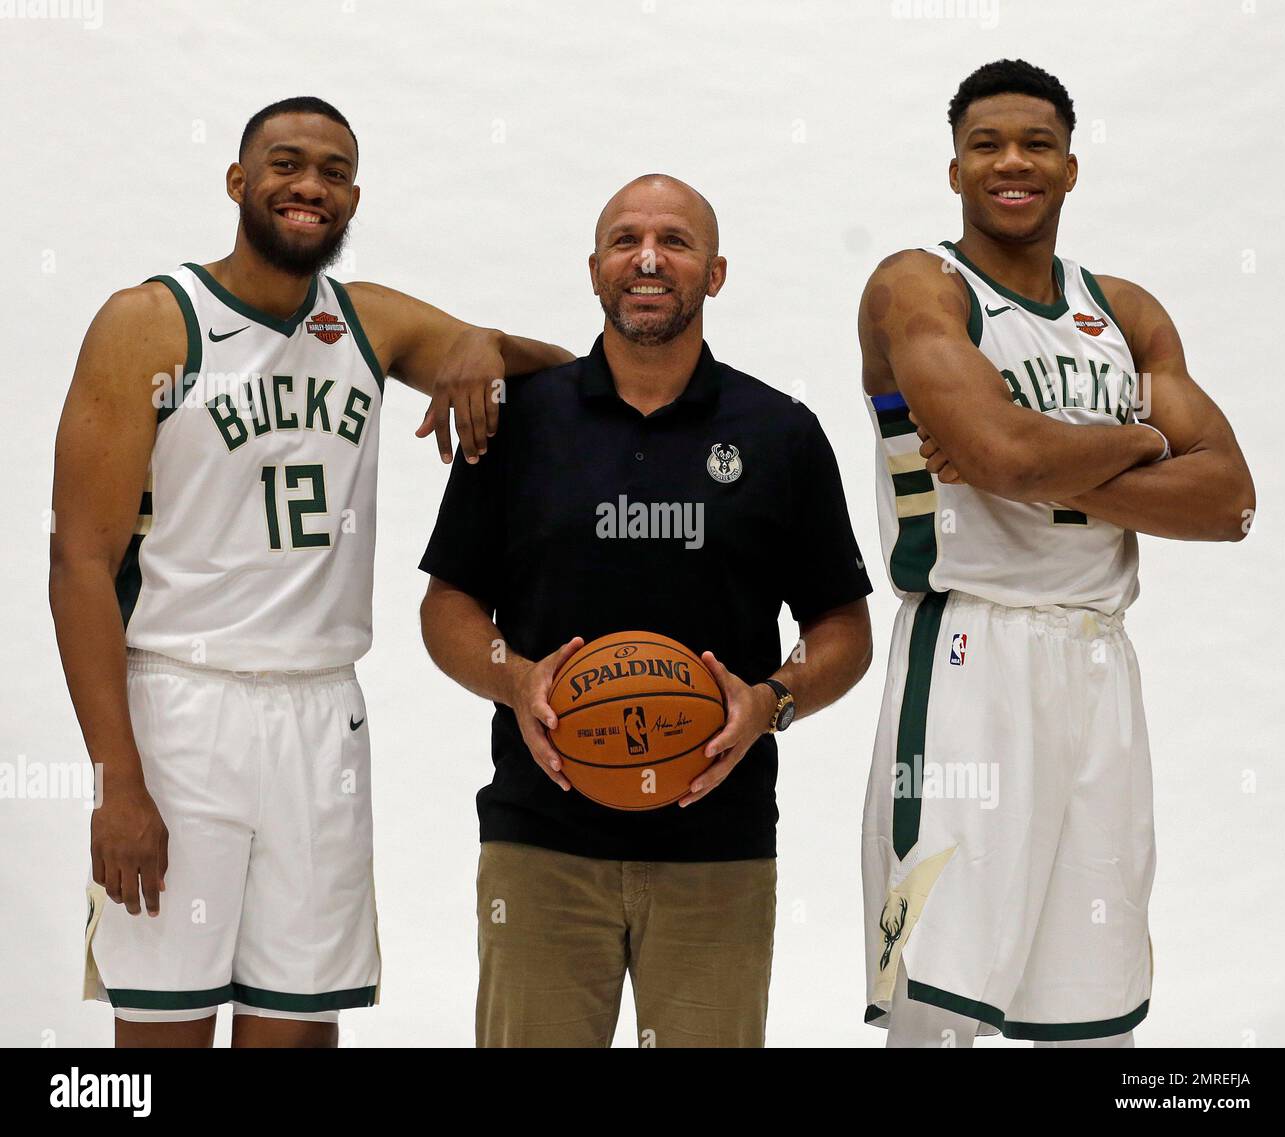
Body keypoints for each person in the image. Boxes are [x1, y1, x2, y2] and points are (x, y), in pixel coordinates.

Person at [49, 96, 572, 1048]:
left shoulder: (363, 321)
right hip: (182, 711)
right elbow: (80, 562)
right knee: (164, 1029)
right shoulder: (151, 323)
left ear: (354, 197)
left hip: (323, 714)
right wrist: (117, 779)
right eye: (286, 164)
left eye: (333, 172)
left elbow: (561, 374)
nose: (309, 186)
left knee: (296, 1026)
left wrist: (480, 344)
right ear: (238, 182)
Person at [420, 174, 874, 1047]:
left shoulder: (780, 432)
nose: (649, 257)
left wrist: (770, 700)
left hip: (720, 843)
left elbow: (842, 629)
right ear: (595, 270)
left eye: (676, 240)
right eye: (626, 239)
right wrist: (511, 678)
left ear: (716, 272)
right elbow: (447, 604)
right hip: (539, 837)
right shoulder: (518, 422)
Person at [858, 60, 1255, 1048]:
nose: (1012, 161)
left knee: (1092, 1007)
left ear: (1070, 169)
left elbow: (1230, 502)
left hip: (1095, 661)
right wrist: (1138, 440)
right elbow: (997, 456)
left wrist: (1033, 458)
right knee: (939, 995)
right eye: (986, 143)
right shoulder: (918, 285)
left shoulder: (1124, 310)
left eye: (1036, 143)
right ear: (954, 168)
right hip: (966, 662)